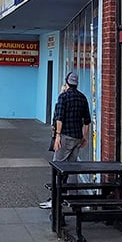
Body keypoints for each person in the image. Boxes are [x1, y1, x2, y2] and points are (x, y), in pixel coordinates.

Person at [40, 71, 91, 209]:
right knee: (72, 166)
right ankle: (73, 197)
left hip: (65, 137)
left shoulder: (64, 97)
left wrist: (57, 136)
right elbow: (87, 120)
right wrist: (84, 136)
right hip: (77, 138)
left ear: (67, 82)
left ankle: (55, 199)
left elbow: (59, 118)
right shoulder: (83, 98)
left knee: (58, 166)